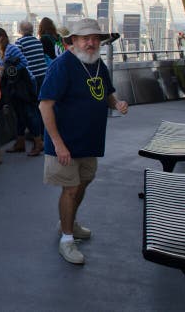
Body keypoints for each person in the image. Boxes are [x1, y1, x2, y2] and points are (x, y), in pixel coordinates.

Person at [38, 18, 129, 265]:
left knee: (84, 182)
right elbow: (45, 105)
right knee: (70, 189)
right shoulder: (62, 65)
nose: (91, 43)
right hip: (65, 143)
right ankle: (66, 238)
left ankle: (69, 222)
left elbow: (107, 93)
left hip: (90, 140)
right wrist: (57, 144)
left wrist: (117, 103)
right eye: (85, 38)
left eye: (95, 38)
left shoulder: (98, 64)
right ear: (73, 41)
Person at [0, 27, 37, 155]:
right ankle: (20, 142)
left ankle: (38, 143)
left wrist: (8, 71)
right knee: (19, 113)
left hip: (24, 84)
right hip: (15, 85)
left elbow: (24, 62)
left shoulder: (11, 49)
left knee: (29, 113)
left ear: (0, 38)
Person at [15, 21, 47, 156]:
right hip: (43, 76)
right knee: (41, 107)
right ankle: (42, 136)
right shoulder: (37, 41)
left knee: (31, 109)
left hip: (31, 79)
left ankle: (37, 140)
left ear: (20, 30)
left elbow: (18, 61)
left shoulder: (19, 43)